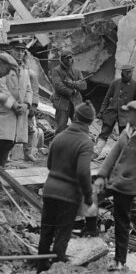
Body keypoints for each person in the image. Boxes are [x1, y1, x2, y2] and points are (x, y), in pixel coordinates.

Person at [94, 100, 136, 271]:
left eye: (129, 112)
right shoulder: (126, 131)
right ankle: (89, 234)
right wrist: (101, 176)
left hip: (128, 187)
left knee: (121, 222)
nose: (126, 115)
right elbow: (113, 155)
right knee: (90, 197)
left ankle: (119, 261)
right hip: (113, 180)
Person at [37, 100, 97, 273]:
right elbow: (83, 172)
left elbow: (49, 165)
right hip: (69, 196)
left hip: (49, 190)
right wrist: (87, 196)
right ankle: (57, 269)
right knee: (62, 236)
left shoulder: (59, 136)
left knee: (46, 232)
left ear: (75, 116)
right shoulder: (85, 142)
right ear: (90, 122)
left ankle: (41, 269)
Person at [94, 64, 136, 158]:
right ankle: (95, 152)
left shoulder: (135, 85)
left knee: (124, 137)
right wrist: (101, 112)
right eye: (127, 72)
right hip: (111, 112)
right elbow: (107, 98)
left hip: (126, 115)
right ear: (122, 72)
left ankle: (121, 157)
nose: (129, 74)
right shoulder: (115, 83)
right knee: (104, 133)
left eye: (130, 72)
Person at [8, 40, 40, 162]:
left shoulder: (28, 71)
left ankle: (28, 152)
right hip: (10, 105)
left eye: (22, 51)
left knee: (30, 129)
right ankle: (8, 154)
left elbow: (33, 89)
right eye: (17, 51)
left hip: (26, 105)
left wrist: (32, 105)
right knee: (9, 131)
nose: (20, 53)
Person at [0, 50, 32, 167]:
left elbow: (29, 89)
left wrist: (25, 105)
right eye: (7, 70)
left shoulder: (24, 69)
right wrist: (14, 105)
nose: (7, 73)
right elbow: (1, 92)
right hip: (4, 115)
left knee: (6, 146)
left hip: (15, 116)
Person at [51, 50, 87, 134]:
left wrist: (73, 84)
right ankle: (58, 145)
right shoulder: (56, 71)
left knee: (78, 127)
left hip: (76, 102)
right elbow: (58, 86)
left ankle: (75, 146)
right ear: (62, 59)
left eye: (71, 57)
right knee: (60, 127)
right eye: (67, 58)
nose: (69, 60)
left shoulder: (77, 71)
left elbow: (84, 85)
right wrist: (72, 91)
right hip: (62, 102)